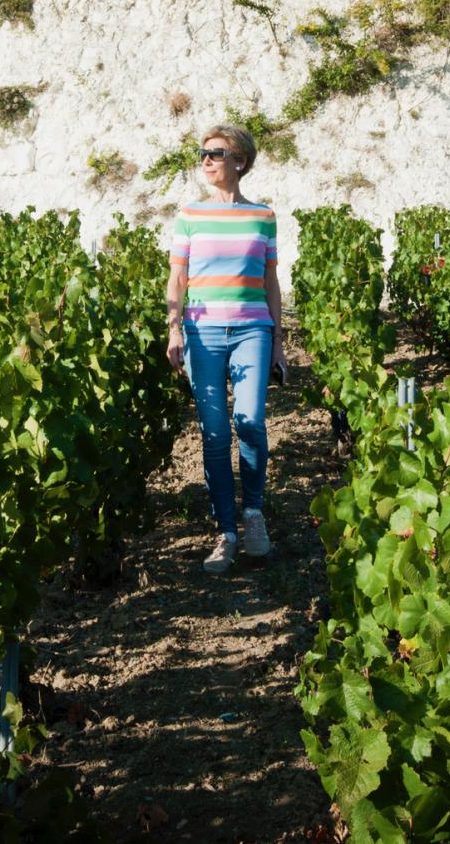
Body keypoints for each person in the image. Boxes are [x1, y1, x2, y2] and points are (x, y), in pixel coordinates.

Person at [165, 124, 288, 574]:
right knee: (215, 435)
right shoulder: (189, 215)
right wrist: (174, 330)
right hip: (202, 334)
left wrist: (278, 341)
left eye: (216, 153)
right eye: (203, 153)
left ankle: (253, 513)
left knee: (251, 421)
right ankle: (226, 532)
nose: (206, 160)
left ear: (240, 160)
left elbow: (271, 281)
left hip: (252, 329)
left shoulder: (263, 216)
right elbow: (177, 279)